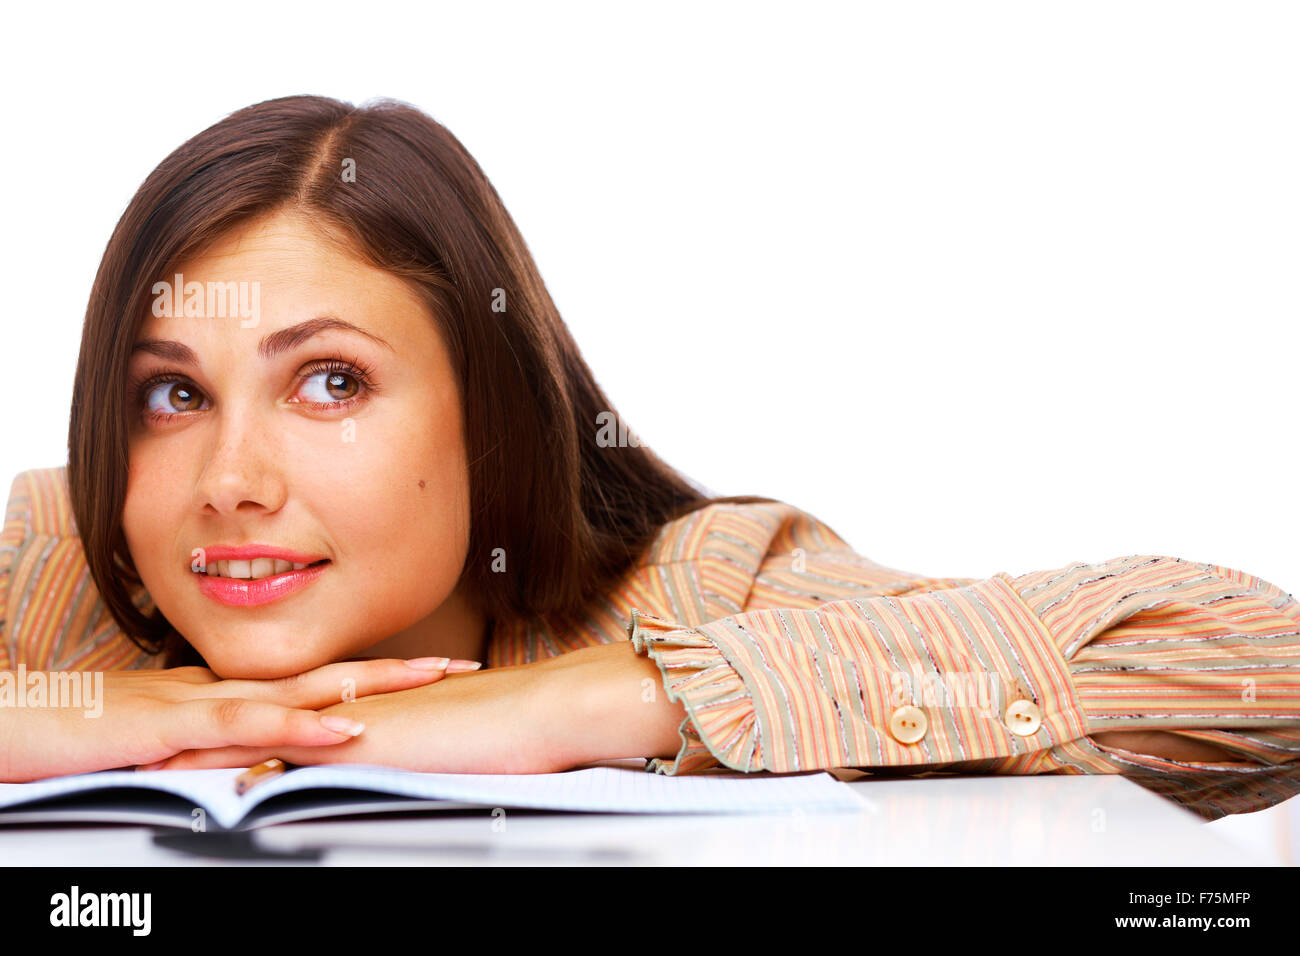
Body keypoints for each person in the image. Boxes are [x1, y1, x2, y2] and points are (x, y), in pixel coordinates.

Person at [2, 95, 1297, 821]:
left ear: (487, 406)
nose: (230, 478)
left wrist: (605, 703)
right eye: (172, 394)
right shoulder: (56, 567)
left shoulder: (703, 590)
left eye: (329, 381)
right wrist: (76, 713)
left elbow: (1262, 668)